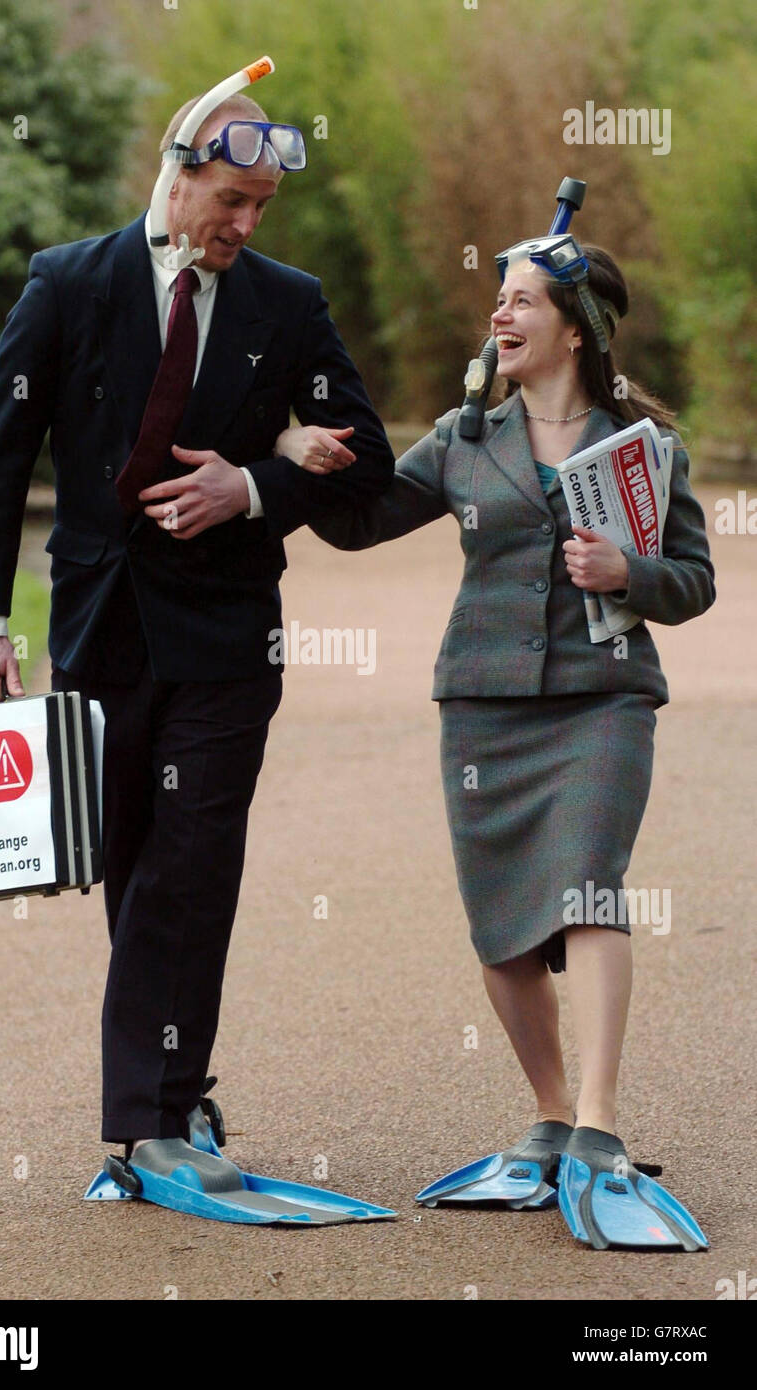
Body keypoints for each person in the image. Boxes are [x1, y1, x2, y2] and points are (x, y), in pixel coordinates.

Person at [0, 81, 395, 1222]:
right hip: (98, 633)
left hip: (227, 640)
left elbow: (373, 460)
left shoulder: (288, 305)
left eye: (264, 207)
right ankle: (176, 1091)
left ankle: (148, 1122)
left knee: (194, 866)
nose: (247, 226)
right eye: (235, 199)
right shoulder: (69, 283)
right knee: (138, 867)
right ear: (179, 170)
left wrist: (254, 483)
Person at [275, 239, 716, 1250]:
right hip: (482, 705)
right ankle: (552, 1117)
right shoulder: (464, 437)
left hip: (606, 701)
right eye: (497, 301)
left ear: (575, 330)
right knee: (504, 929)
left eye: (521, 303)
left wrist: (627, 572)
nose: (498, 318)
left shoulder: (647, 448)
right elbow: (363, 525)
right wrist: (304, 460)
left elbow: (694, 581)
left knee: (590, 885)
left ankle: (601, 1126)